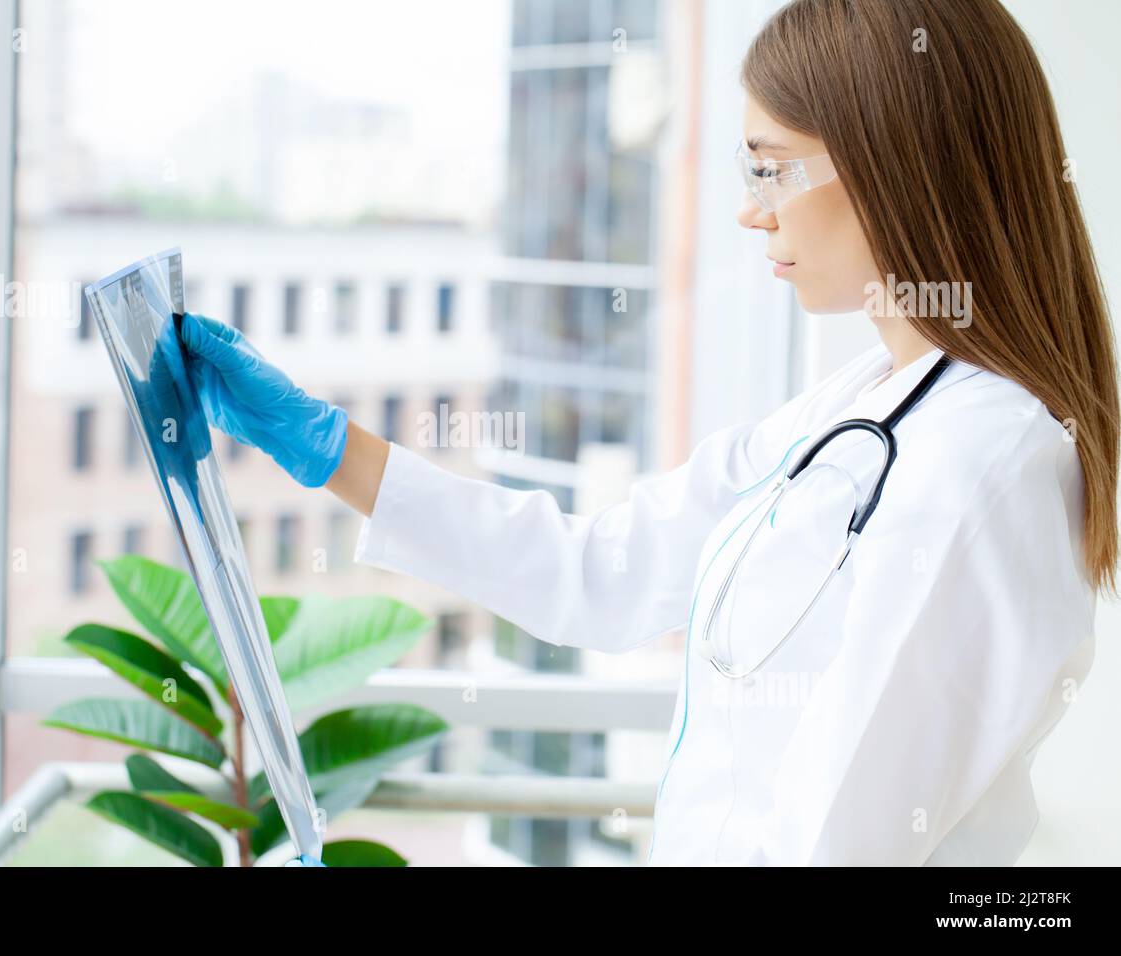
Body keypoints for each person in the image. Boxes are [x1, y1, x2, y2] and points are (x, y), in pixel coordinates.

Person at [176, 0, 1119, 865]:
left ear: (897, 160)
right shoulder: (864, 401)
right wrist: (326, 448)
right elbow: (600, 575)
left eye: (771, 165)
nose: (753, 210)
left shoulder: (980, 464)